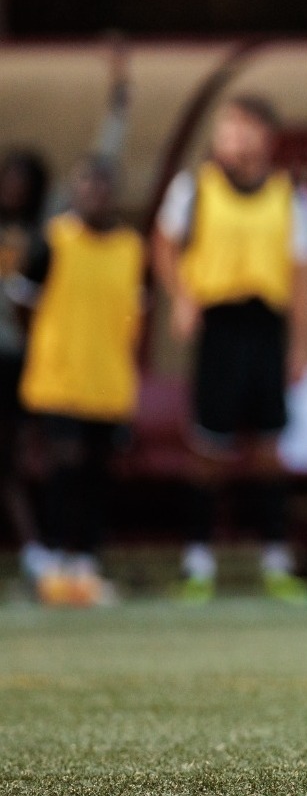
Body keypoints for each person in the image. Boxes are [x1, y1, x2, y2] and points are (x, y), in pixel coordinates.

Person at [153, 96, 307, 604]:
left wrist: (301, 346)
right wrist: (182, 298)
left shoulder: (292, 195)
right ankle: (198, 560)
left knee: (270, 448)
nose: (234, 138)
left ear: (267, 136)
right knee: (208, 448)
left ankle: (276, 558)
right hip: (219, 325)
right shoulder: (193, 188)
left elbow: (303, 275)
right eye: (227, 128)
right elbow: (163, 246)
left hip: (266, 325)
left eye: (245, 128)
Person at [10, 159, 142, 606]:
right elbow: (23, 305)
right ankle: (53, 560)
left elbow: (136, 314)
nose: (94, 196)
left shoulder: (129, 247)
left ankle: (87, 561)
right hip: (59, 377)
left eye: (102, 187)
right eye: (86, 186)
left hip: (108, 379)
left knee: (96, 471)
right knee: (63, 464)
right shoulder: (51, 241)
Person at [0, 148, 52, 585]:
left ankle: (36, 548)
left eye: (22, 180)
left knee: (12, 457)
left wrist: (119, 113)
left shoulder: (41, 237)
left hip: (16, 360)